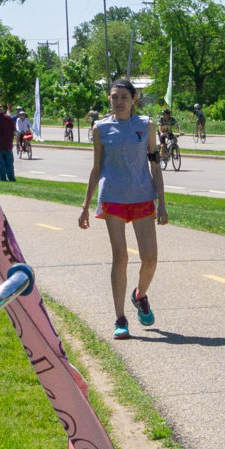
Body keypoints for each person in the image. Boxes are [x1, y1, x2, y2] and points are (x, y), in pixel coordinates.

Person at [78, 77, 168, 339]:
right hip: (113, 197)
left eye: (123, 98)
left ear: (133, 100)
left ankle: (140, 295)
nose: (118, 102)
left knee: (150, 258)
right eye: (114, 97)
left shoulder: (146, 126)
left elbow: (154, 165)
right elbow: (96, 168)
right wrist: (85, 206)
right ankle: (120, 318)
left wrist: (161, 201)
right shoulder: (101, 128)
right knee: (121, 257)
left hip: (142, 196)